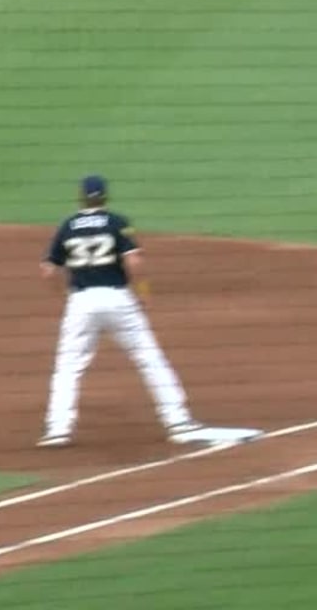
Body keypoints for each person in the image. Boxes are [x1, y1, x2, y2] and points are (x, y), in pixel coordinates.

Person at [37, 175, 212, 448]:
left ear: (81, 197)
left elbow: (48, 270)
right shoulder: (117, 222)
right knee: (149, 357)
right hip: (118, 298)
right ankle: (177, 421)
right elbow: (133, 261)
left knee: (68, 367)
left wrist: (65, 297)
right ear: (104, 197)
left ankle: (58, 430)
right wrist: (142, 291)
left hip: (81, 302)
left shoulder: (67, 226)